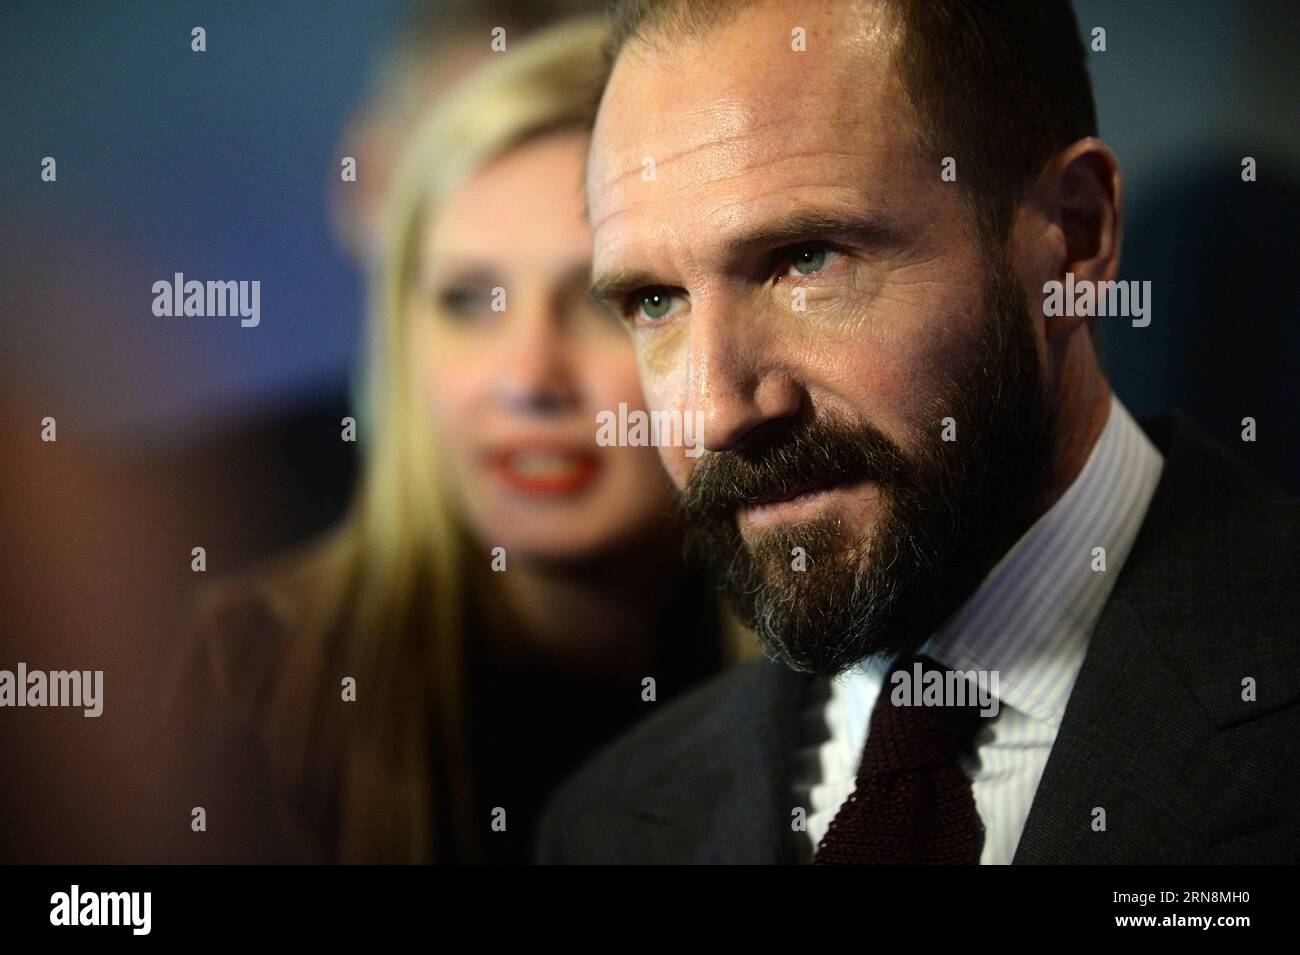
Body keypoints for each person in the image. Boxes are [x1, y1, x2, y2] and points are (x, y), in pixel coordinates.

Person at [537, 0, 1300, 864]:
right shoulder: (605, 826)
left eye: (808, 257)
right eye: (653, 301)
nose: (714, 412)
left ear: (1074, 241)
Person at [166, 16, 738, 865]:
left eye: (598, 300)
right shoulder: (252, 688)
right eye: (468, 302)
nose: (527, 377)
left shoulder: (838, 668)